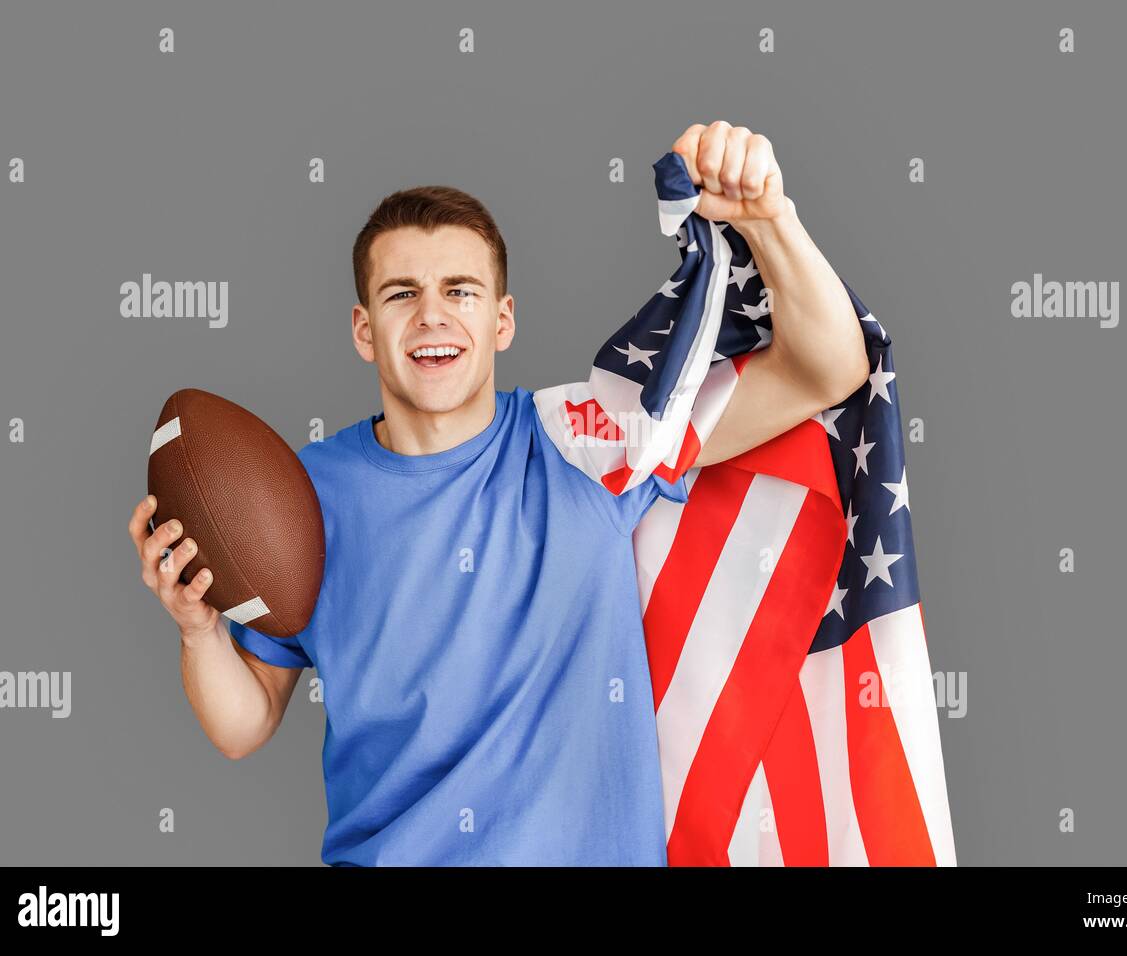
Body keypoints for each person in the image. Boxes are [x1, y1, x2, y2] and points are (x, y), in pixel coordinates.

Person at [127, 121, 871, 865]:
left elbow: (827, 369)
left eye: (461, 290)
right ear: (363, 329)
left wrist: (769, 218)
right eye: (400, 294)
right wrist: (199, 632)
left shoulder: (595, 440)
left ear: (501, 319)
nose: (431, 316)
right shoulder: (304, 492)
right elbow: (244, 724)